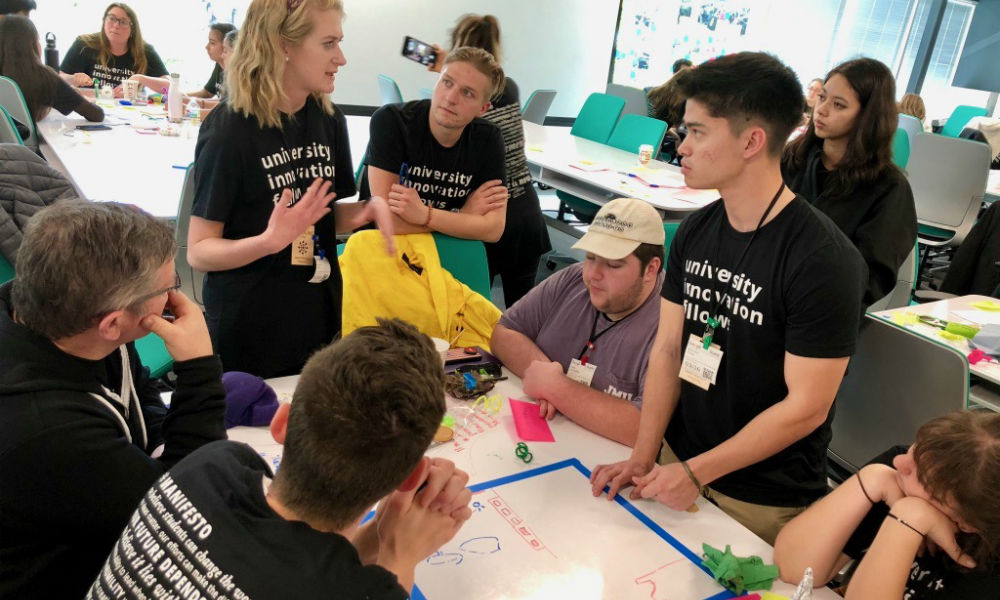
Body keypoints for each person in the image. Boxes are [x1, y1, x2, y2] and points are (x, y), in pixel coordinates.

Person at [590, 52, 866, 545]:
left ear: (751, 141)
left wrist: (697, 472)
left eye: (697, 131)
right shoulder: (695, 231)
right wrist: (643, 454)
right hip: (677, 461)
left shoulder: (823, 259)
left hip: (760, 494)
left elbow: (806, 407)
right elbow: (669, 350)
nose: (681, 143)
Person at [87, 318, 473, 600]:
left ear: (281, 423)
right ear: (410, 477)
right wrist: (400, 555)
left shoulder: (213, 464)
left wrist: (384, 534)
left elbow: (303, 568)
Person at [0, 201, 227, 598]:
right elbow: (184, 512)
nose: (176, 292)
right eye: (170, 286)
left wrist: (157, 449)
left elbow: (139, 397)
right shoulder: (50, 432)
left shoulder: (70, 326)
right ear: (113, 323)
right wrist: (200, 369)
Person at [188, 0, 394, 379]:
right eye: (329, 43)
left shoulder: (328, 119)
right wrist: (268, 241)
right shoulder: (229, 129)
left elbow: (322, 218)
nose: (342, 58)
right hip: (251, 326)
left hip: (317, 313)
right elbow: (200, 252)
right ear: (284, 45)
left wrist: (365, 210)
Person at [491, 198, 664, 446]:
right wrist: (547, 380)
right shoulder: (572, 280)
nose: (593, 274)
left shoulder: (670, 322)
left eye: (613, 265)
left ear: (650, 270)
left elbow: (646, 429)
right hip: (548, 443)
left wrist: (558, 390)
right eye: (591, 257)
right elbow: (504, 332)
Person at [774, 410, 1000, 599]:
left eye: (922, 479)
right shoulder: (907, 469)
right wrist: (873, 477)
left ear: (968, 522)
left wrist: (908, 518)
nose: (898, 462)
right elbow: (793, 567)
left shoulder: (988, 572)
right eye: (915, 446)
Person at [423, 15, 549, 306]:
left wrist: (447, 68)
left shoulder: (466, 110)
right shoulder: (509, 88)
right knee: (523, 314)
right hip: (525, 211)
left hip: (488, 216)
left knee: (470, 312)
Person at [783, 58, 916, 307]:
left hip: (823, 313)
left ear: (867, 116)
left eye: (839, 105)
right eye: (822, 98)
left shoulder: (889, 188)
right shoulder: (791, 160)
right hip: (759, 297)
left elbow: (870, 278)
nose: (821, 110)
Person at [360, 45, 509, 245]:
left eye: (467, 93)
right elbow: (389, 222)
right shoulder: (391, 121)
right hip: (384, 248)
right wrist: (462, 216)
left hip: (446, 251)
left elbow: (493, 230)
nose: (450, 98)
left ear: (482, 109)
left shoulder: (488, 138)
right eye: (447, 83)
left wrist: (424, 214)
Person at [0, 15, 103, 123]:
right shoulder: (43, 78)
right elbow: (96, 115)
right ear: (32, 45)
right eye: (38, 40)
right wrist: (78, 97)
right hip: (29, 139)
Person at [58, 2, 168, 91]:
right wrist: (73, 79)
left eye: (123, 22)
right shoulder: (84, 44)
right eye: (112, 18)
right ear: (104, 20)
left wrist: (140, 78)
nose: (116, 25)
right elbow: (59, 78)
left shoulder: (145, 50)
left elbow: (169, 85)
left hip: (130, 111)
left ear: (132, 30)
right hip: (91, 110)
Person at [186, 22, 236, 100]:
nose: (207, 47)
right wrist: (182, 96)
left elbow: (224, 106)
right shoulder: (219, 65)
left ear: (226, 45)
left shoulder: (236, 73)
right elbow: (208, 92)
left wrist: (187, 101)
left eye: (212, 43)